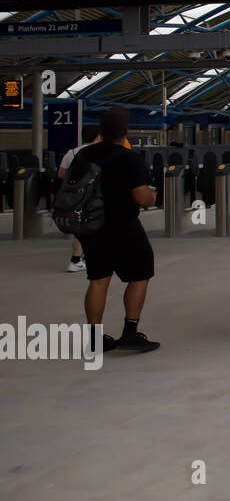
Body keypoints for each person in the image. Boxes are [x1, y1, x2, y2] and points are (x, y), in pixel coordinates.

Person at [69, 107, 159, 354]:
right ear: (126, 132)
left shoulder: (84, 156)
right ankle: (130, 332)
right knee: (140, 274)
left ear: (101, 131)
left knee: (98, 280)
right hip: (122, 226)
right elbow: (141, 198)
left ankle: (95, 338)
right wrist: (152, 197)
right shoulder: (129, 158)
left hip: (91, 226)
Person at [58, 125, 100, 273]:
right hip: (93, 195)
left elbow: (61, 174)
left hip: (75, 196)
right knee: (90, 226)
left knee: (82, 225)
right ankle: (76, 259)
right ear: (97, 137)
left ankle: (81, 258)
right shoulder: (98, 153)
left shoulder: (72, 152)